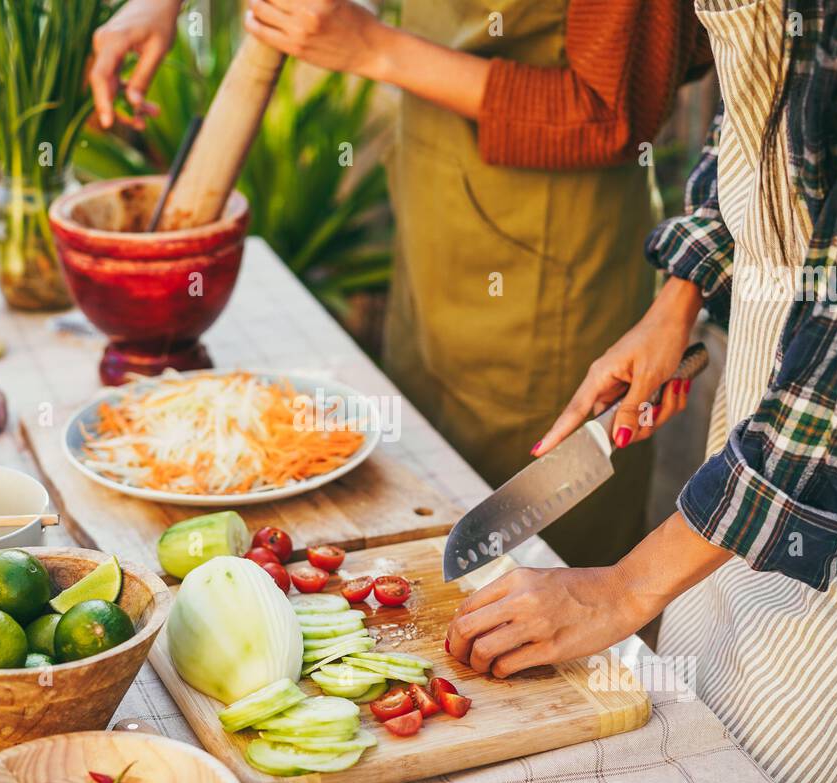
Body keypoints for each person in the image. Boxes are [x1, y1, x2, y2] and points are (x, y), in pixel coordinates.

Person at [447, 0, 837, 783]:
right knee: (692, 713)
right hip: (782, 389)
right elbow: (755, 104)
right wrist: (681, 295)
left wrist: (623, 588)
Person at [89, 0, 711, 568]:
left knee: (539, 562)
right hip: (443, 218)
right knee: (426, 500)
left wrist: (374, 49)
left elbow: (610, 115)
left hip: (549, 267)